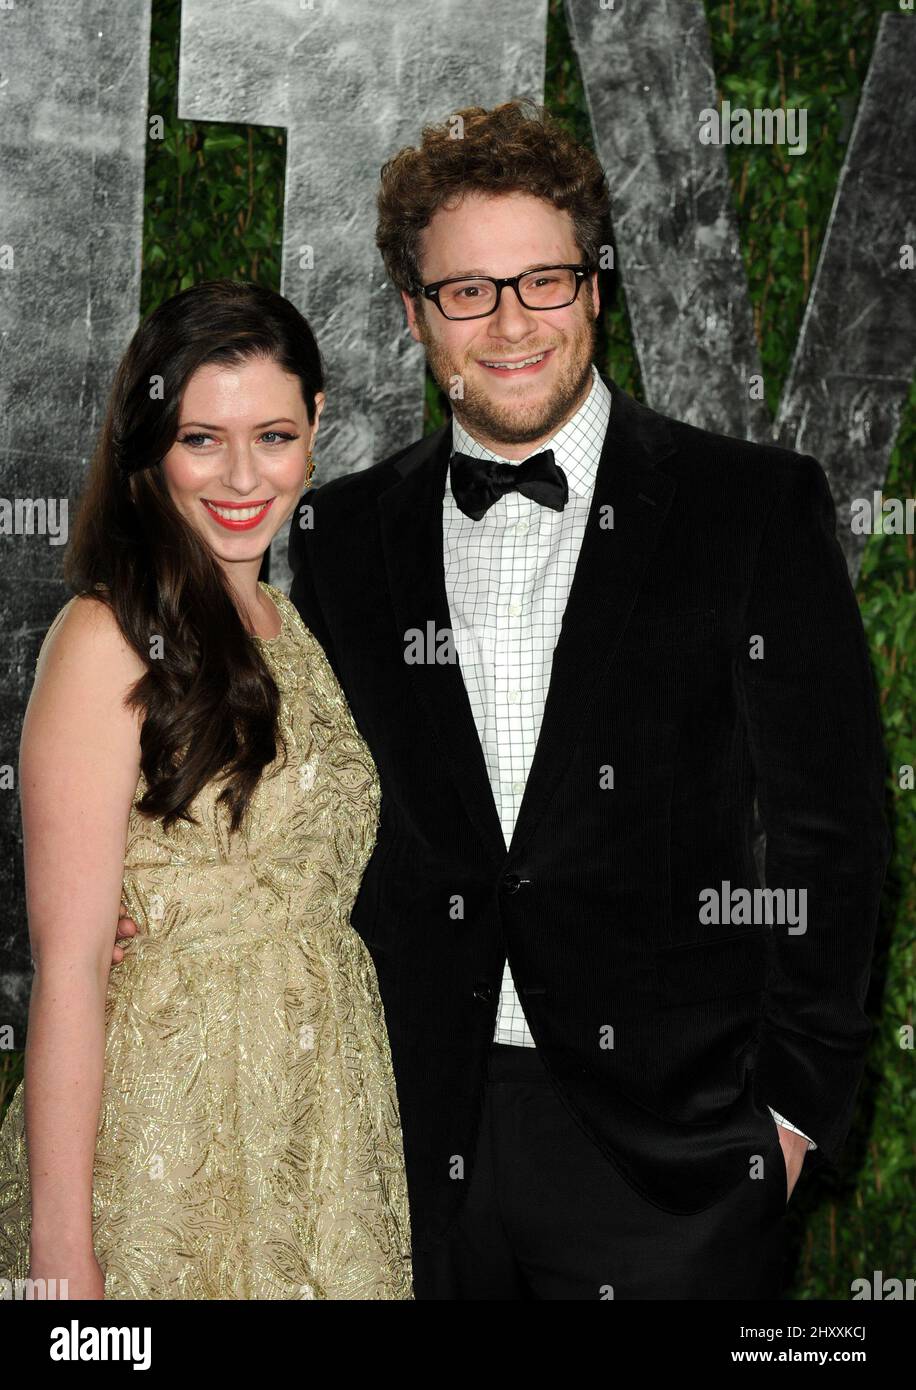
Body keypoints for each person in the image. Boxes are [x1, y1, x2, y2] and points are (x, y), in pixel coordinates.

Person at [117, 100, 891, 1300]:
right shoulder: (335, 532)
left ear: (595, 288)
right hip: (406, 1134)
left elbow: (831, 836)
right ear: (415, 315)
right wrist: (158, 906)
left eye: (542, 280)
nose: (511, 322)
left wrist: (786, 1116)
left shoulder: (751, 509)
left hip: (675, 1153)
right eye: (467, 292)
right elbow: (289, 770)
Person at [0, 279, 412, 1300]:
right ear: (149, 447)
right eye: (200, 439)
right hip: (164, 1150)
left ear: (317, 427)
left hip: (319, 1126)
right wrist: (61, 1264)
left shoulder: (288, 621)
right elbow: (71, 968)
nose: (240, 475)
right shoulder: (104, 638)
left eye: (272, 435)